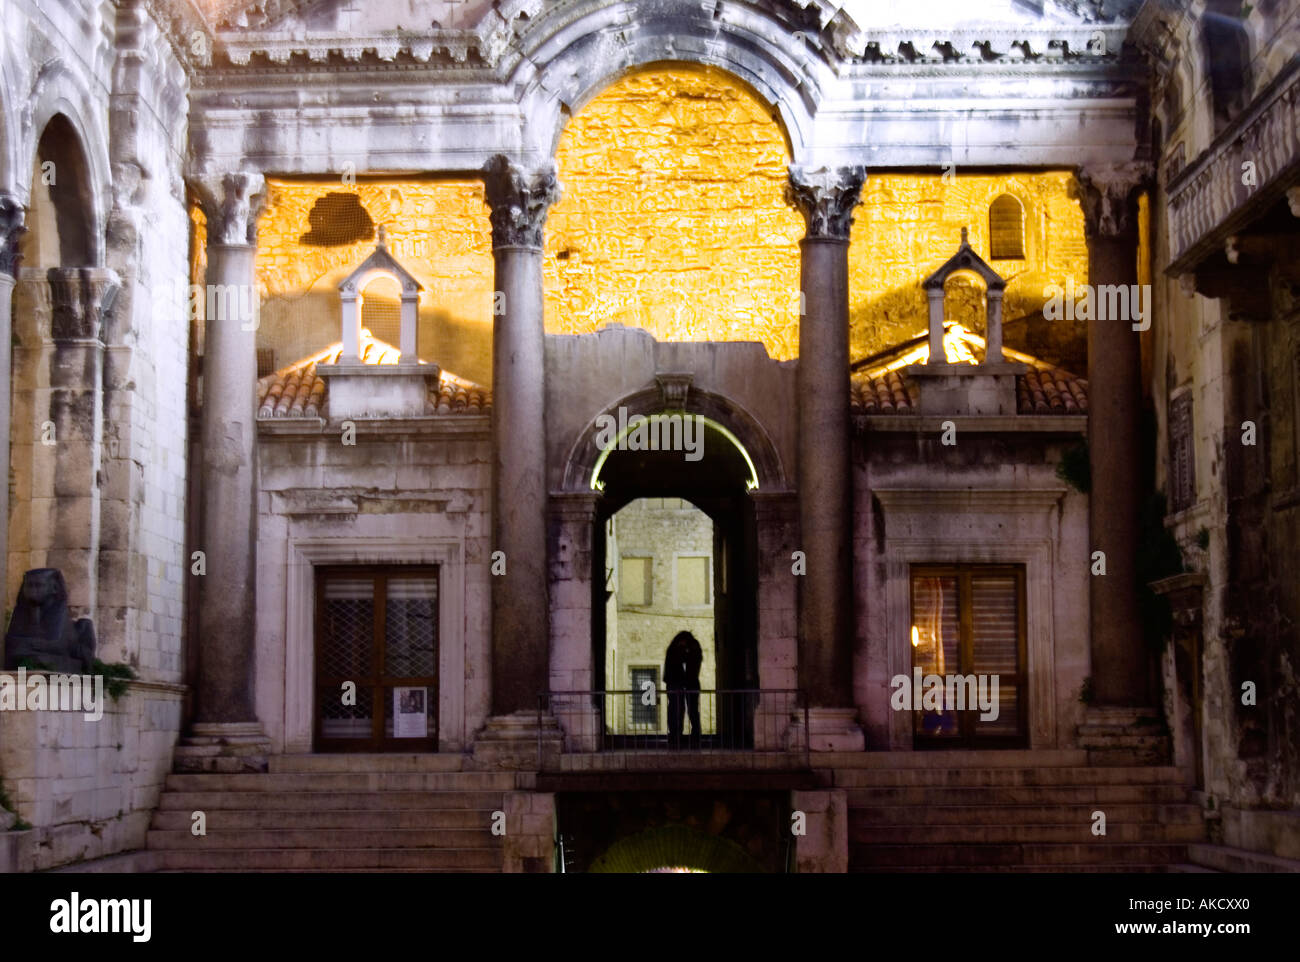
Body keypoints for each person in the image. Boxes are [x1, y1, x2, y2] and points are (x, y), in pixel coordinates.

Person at [664, 630, 703, 748]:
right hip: (677, 682)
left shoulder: (689, 648)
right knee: (677, 709)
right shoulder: (675, 650)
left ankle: (689, 734)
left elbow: (692, 663)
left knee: (688, 709)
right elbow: (678, 663)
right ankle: (676, 735)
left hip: (686, 682)